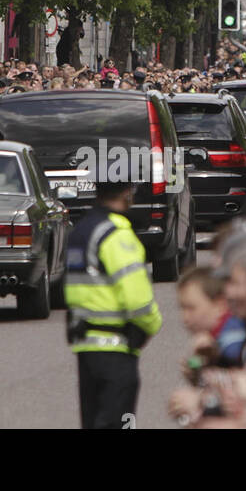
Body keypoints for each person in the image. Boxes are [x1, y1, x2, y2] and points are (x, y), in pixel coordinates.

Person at [64, 181, 163, 429]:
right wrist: (151, 325)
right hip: (116, 347)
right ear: (127, 193)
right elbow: (137, 299)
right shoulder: (116, 233)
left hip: (86, 346)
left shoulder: (82, 230)